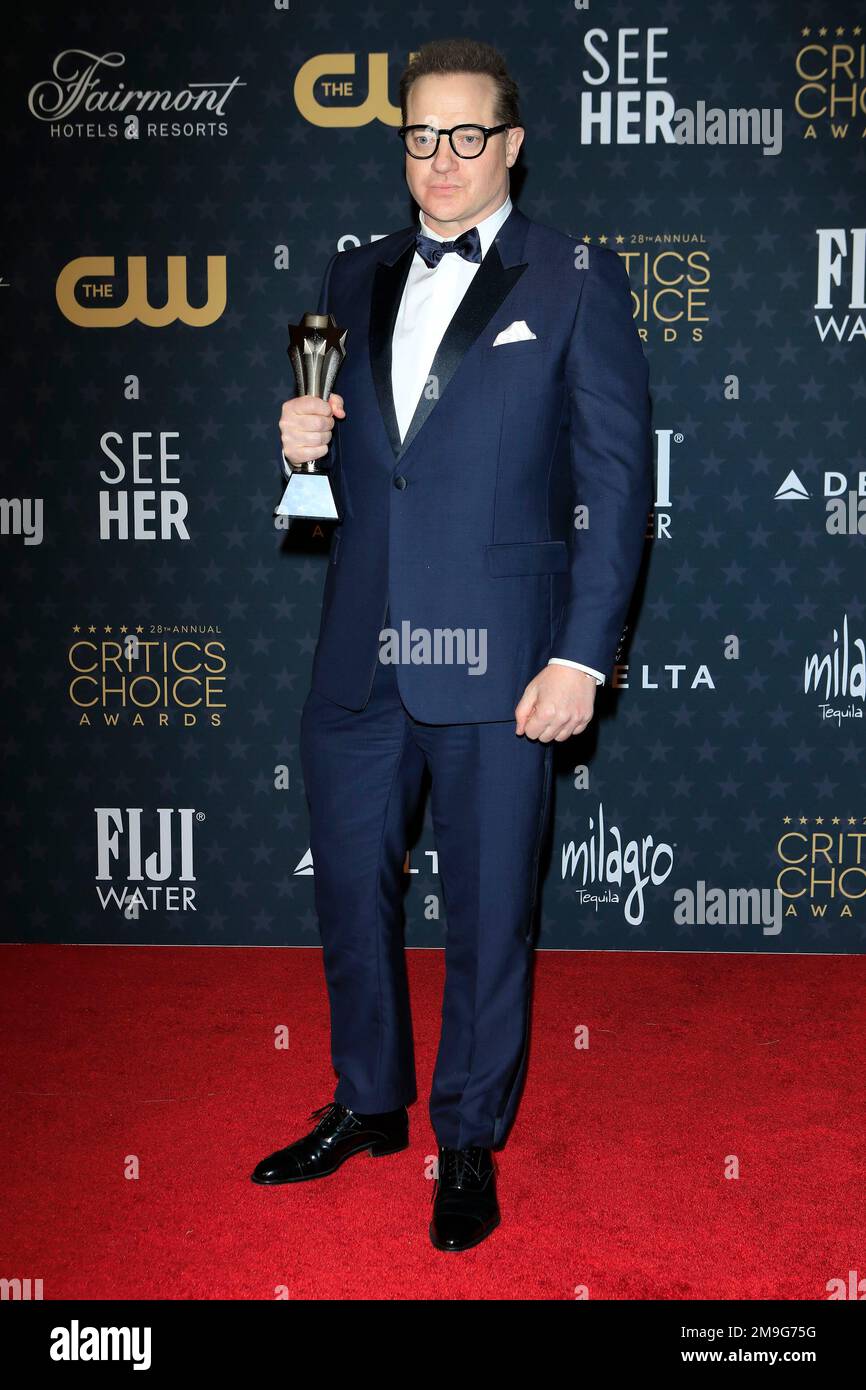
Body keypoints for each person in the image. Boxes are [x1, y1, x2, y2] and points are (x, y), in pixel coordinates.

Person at [252, 37, 653, 1252]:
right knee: (352, 901)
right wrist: (301, 442)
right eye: (420, 134)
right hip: (357, 652)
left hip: (501, 660)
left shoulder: (572, 278)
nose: (439, 157)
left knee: (486, 915)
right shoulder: (355, 267)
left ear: (511, 145)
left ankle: (466, 1136)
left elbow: (618, 484)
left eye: (465, 134)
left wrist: (580, 659)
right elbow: (374, 454)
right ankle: (371, 1103)